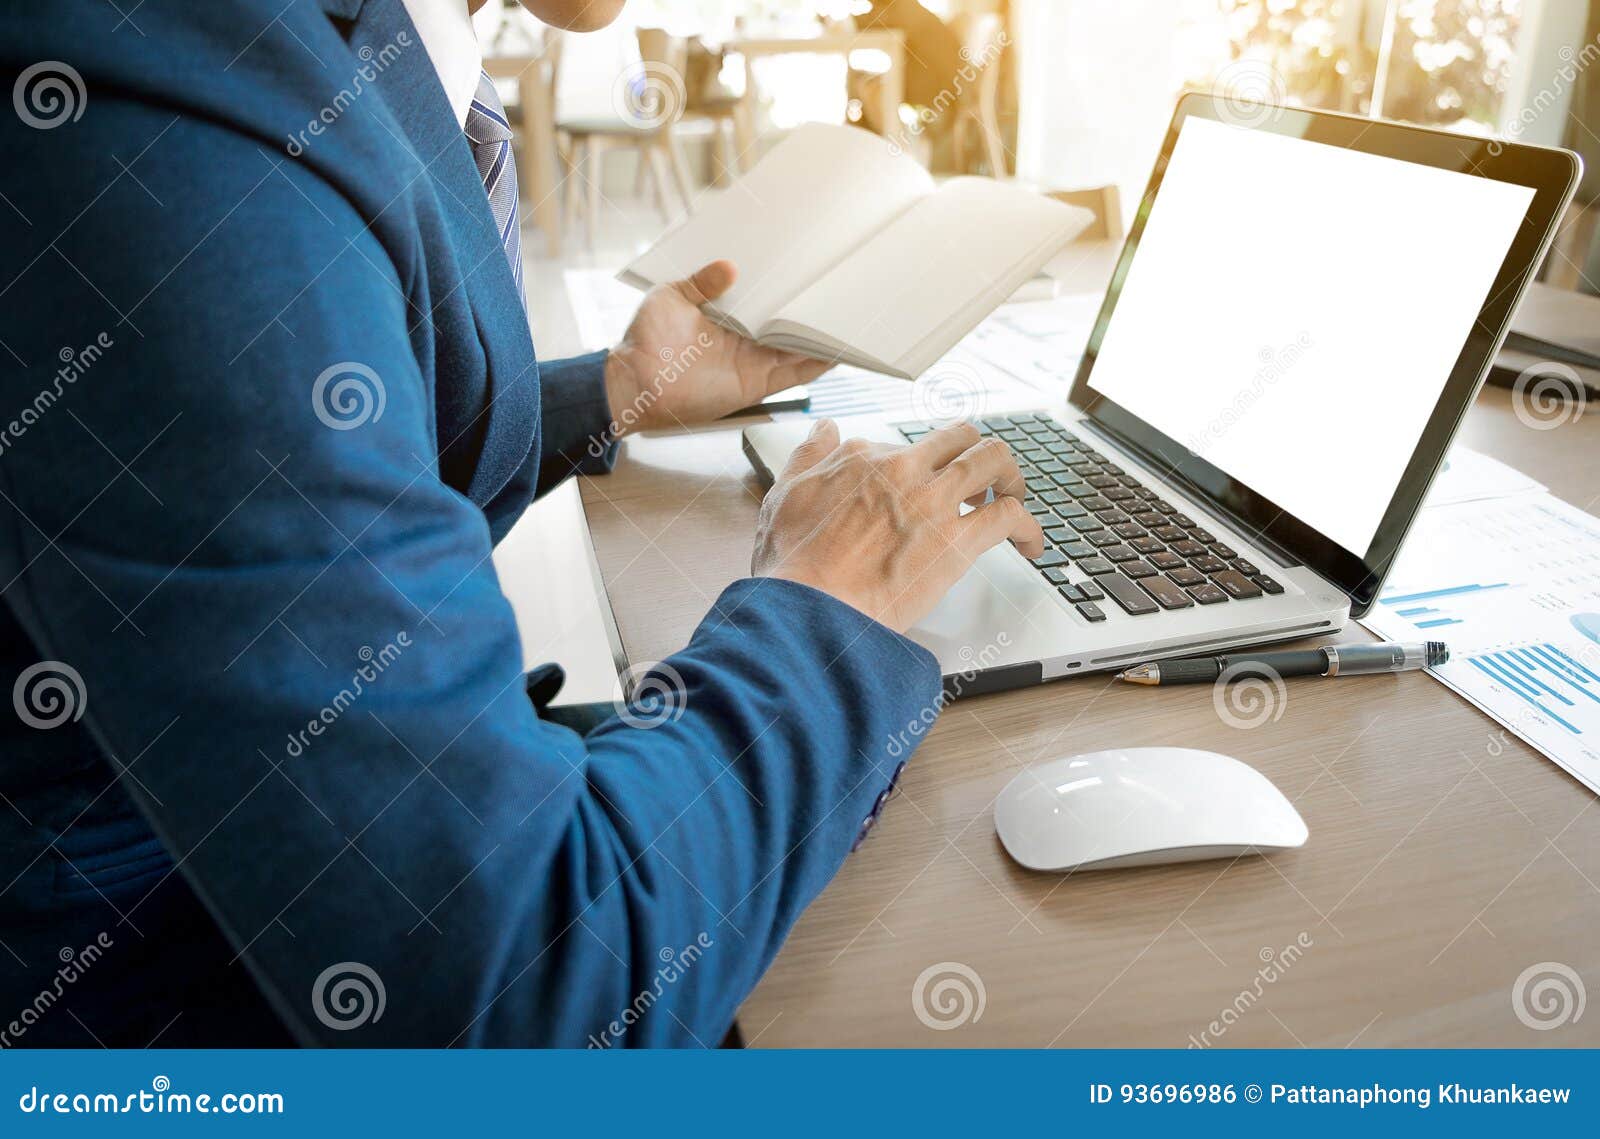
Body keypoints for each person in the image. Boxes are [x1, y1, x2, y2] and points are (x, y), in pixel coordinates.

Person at [0, 0, 1039, 1047]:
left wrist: (618, 388)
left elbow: (312, 454)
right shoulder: (179, 119)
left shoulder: (346, 45)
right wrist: (823, 602)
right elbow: (525, 996)